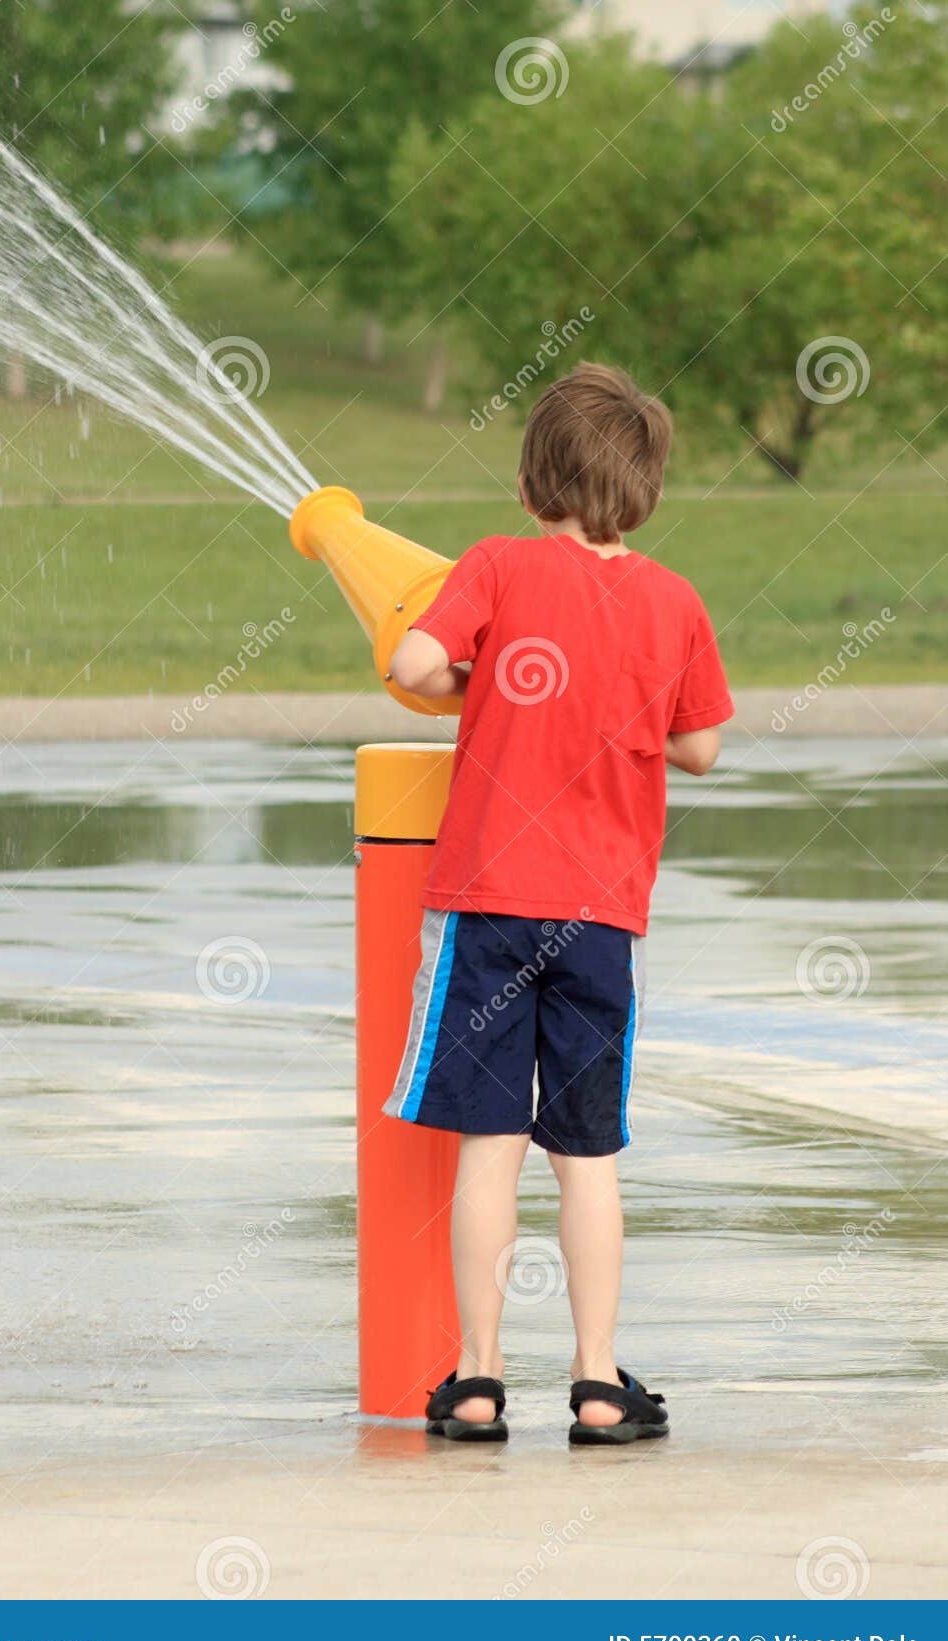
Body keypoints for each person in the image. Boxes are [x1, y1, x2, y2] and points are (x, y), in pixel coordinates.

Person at [384, 363, 733, 1445]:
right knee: (588, 1156)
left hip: (489, 903)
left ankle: (479, 1381)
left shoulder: (495, 566)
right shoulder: (674, 600)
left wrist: (473, 687)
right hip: (602, 916)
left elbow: (409, 659)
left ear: (533, 482)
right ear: (645, 487)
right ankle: (595, 1382)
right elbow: (703, 746)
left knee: (488, 1146)